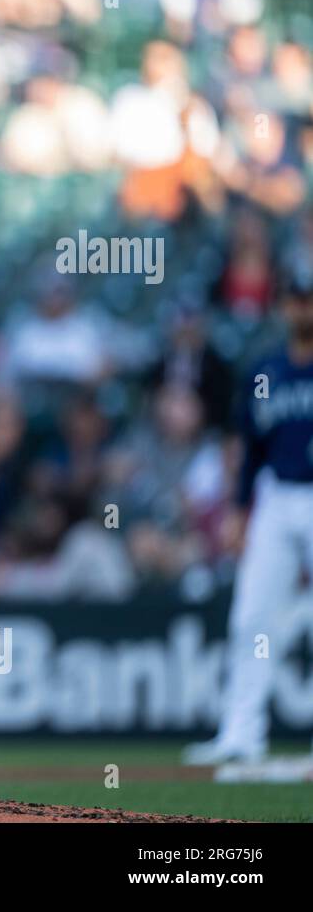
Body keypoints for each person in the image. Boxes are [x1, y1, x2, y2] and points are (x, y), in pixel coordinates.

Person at [183, 255, 313, 766]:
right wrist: (239, 508)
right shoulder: (266, 368)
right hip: (277, 498)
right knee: (251, 618)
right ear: (283, 305)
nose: (302, 307)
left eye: (308, 298)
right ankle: (241, 734)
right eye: (296, 298)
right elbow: (250, 447)